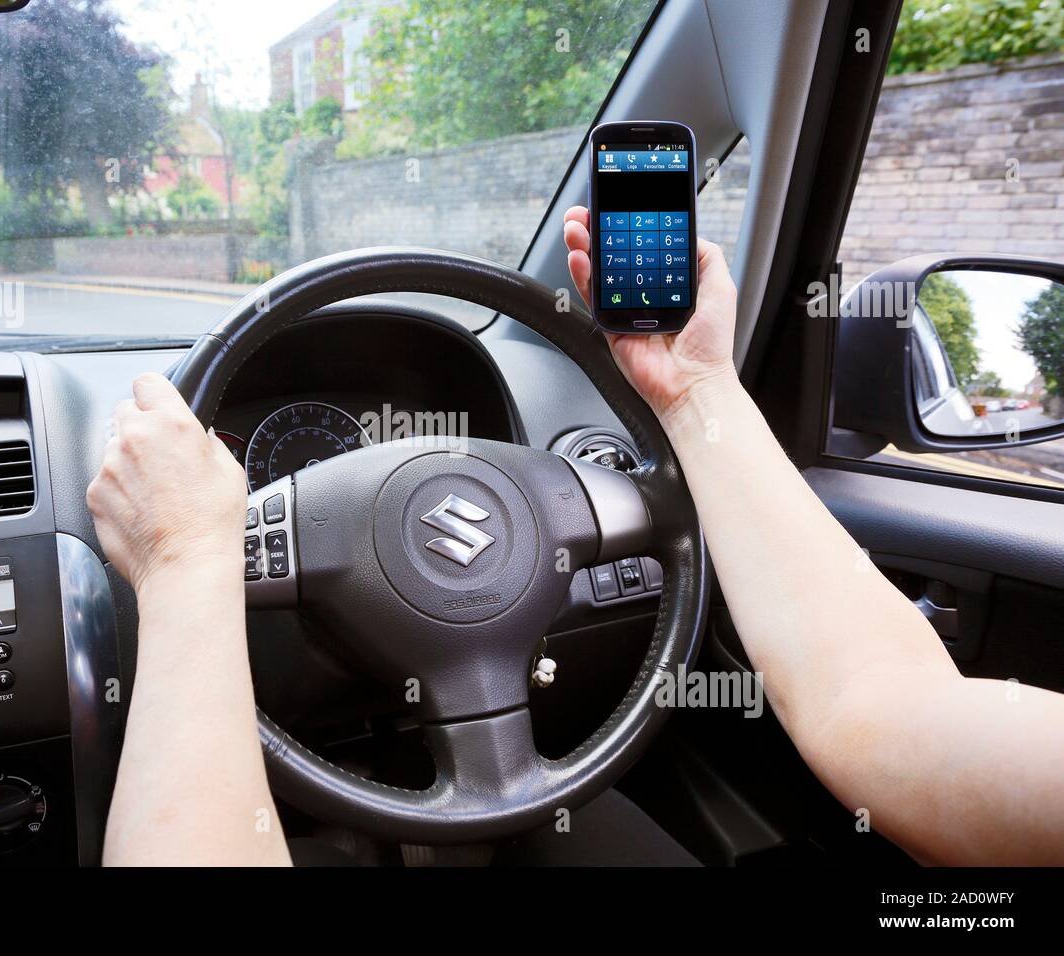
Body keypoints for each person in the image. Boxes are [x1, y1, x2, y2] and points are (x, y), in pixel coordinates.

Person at [87, 208, 1064, 867]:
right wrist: (693, 390)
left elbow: (884, 717)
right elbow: (886, 718)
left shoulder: (190, 551)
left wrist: (186, 563)